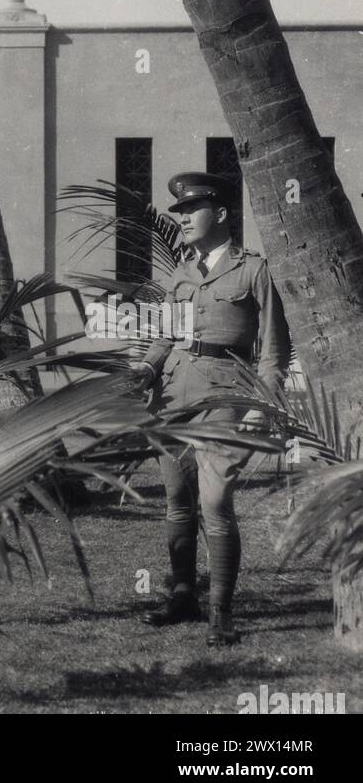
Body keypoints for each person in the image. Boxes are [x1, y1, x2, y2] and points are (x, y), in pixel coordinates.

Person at [131, 171, 291, 647]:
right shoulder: (179, 274)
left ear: (220, 214)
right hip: (171, 395)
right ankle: (183, 597)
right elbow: (165, 336)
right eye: (177, 213)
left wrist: (264, 401)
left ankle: (221, 612)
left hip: (223, 398)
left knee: (216, 502)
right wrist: (144, 368)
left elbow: (275, 351)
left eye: (189, 211)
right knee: (178, 501)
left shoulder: (253, 271)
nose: (180, 220)